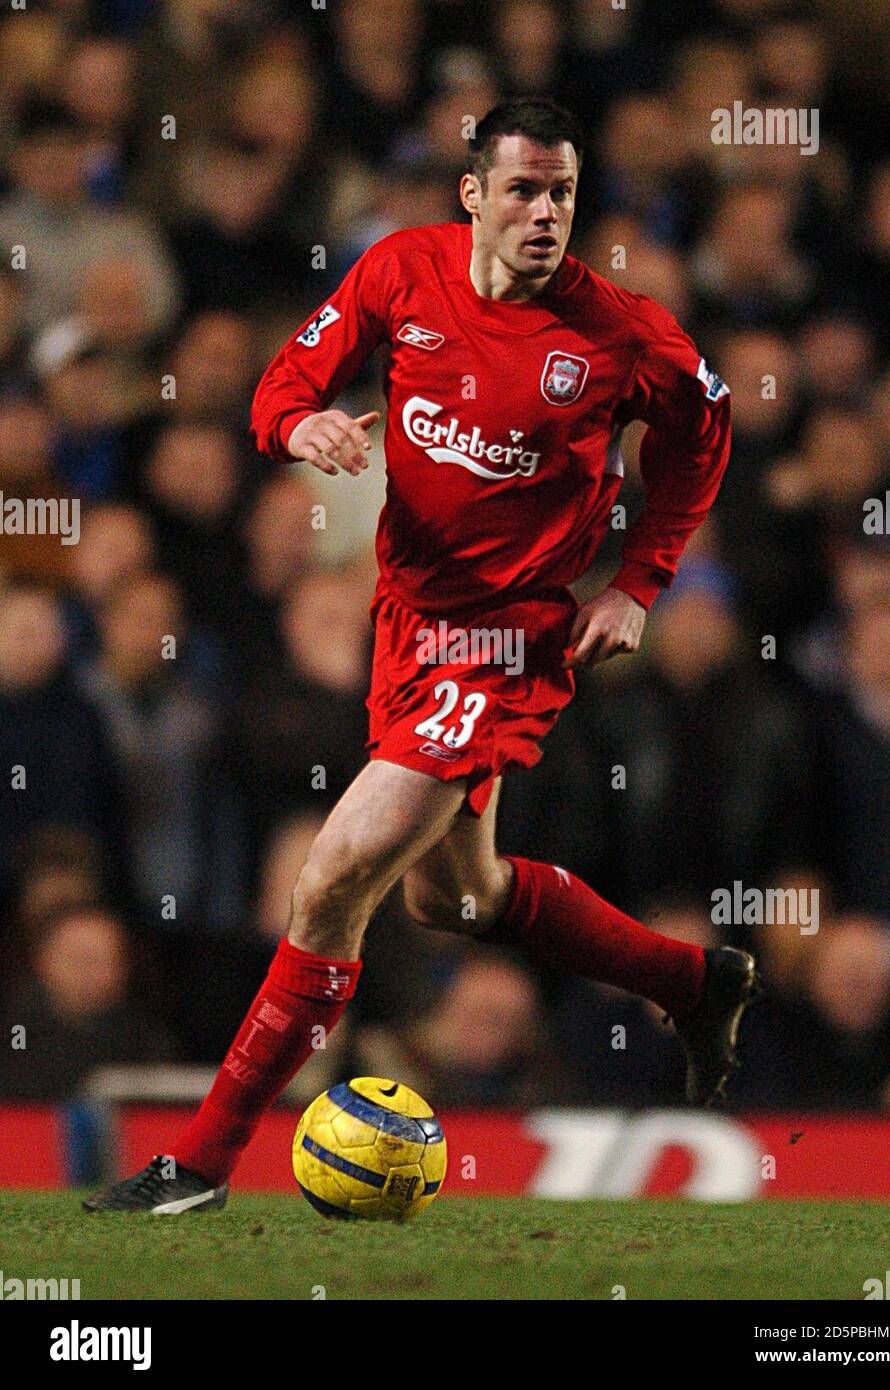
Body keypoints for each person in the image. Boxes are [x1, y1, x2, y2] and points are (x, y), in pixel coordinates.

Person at [85, 99, 756, 1215]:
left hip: (504, 645)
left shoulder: (623, 334)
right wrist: (303, 428)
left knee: (332, 877)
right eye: (524, 190)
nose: (545, 213)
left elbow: (704, 437)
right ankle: (694, 978)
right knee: (455, 900)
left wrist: (640, 582)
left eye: (563, 193)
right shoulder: (401, 273)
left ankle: (195, 1164)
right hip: (404, 625)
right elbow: (281, 388)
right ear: (473, 195)